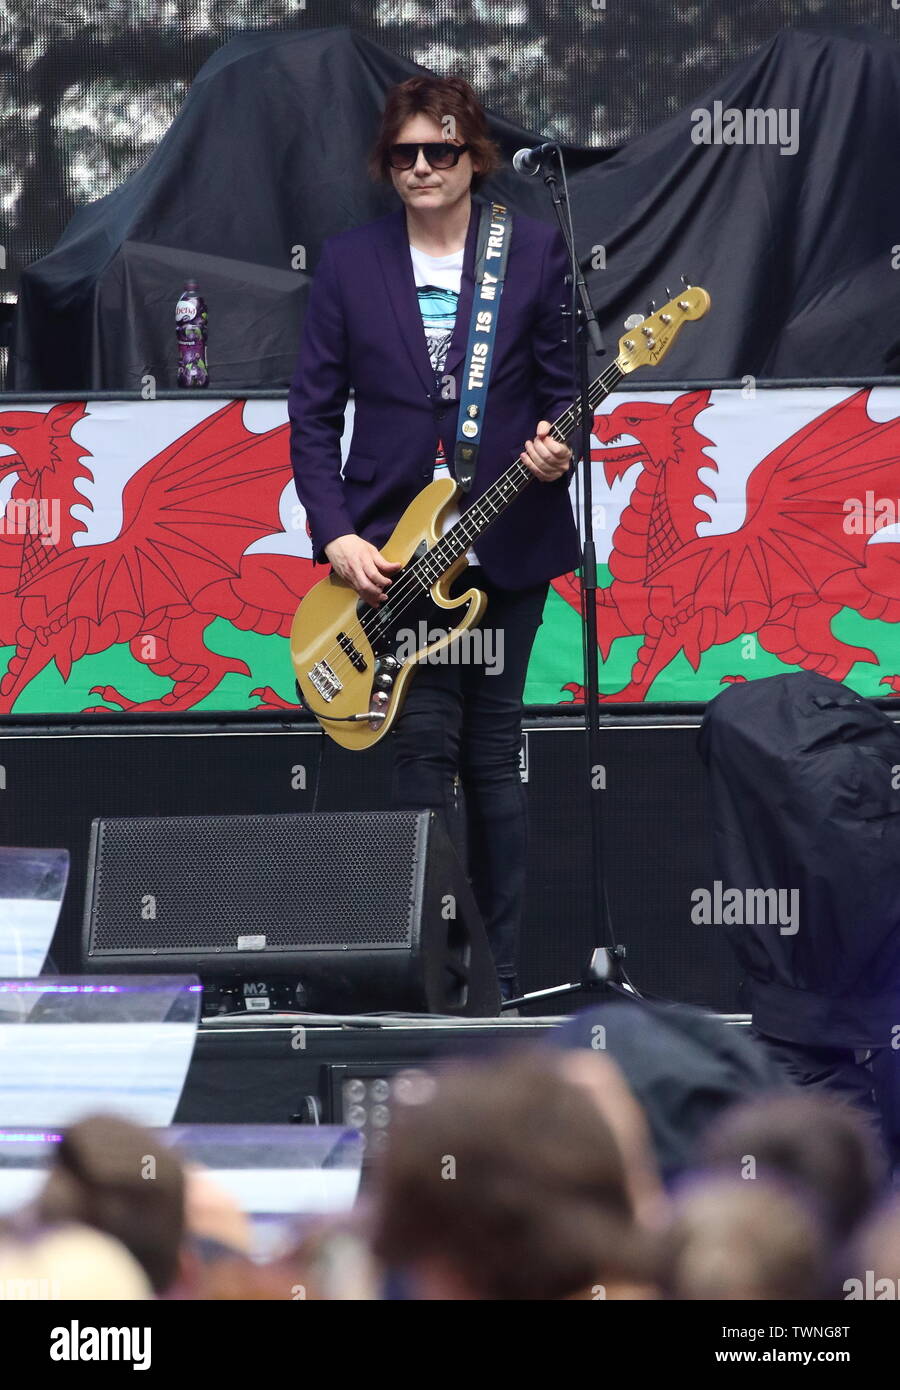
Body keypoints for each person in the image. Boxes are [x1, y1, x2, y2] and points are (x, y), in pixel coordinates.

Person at [289, 75, 580, 1000]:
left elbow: (567, 392)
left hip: (508, 539)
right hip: (393, 558)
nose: (422, 167)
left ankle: (496, 986)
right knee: (420, 754)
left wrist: (560, 449)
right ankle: (431, 981)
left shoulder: (530, 252)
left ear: (473, 158)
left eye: (441, 151)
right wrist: (336, 535)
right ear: (388, 163)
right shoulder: (349, 262)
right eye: (406, 153)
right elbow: (311, 417)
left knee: (492, 755)